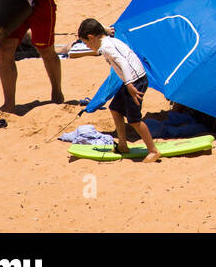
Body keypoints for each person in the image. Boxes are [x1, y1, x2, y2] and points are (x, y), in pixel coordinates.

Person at [62, 19, 160, 163]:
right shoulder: (106, 40)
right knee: (115, 109)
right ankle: (122, 144)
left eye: (87, 43)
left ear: (91, 37)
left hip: (135, 82)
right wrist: (106, 29)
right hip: (132, 80)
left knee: (134, 120)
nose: (88, 46)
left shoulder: (107, 47)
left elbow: (123, 63)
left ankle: (153, 151)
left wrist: (130, 85)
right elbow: (96, 26)